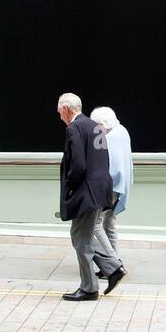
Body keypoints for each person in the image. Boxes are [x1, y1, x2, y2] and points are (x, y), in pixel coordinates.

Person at [56, 92, 126, 301]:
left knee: (80, 238)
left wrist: (69, 186)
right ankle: (113, 268)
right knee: (83, 236)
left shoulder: (74, 128)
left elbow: (78, 164)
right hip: (100, 189)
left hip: (85, 192)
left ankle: (89, 288)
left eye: (60, 111)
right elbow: (103, 159)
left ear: (67, 109)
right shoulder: (95, 126)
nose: (60, 116)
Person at [90, 106, 133, 263]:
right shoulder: (122, 131)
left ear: (102, 122)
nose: (95, 128)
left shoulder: (108, 137)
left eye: (96, 124)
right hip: (120, 185)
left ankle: (113, 263)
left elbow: (104, 166)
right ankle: (115, 259)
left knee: (94, 224)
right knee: (110, 224)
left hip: (109, 187)